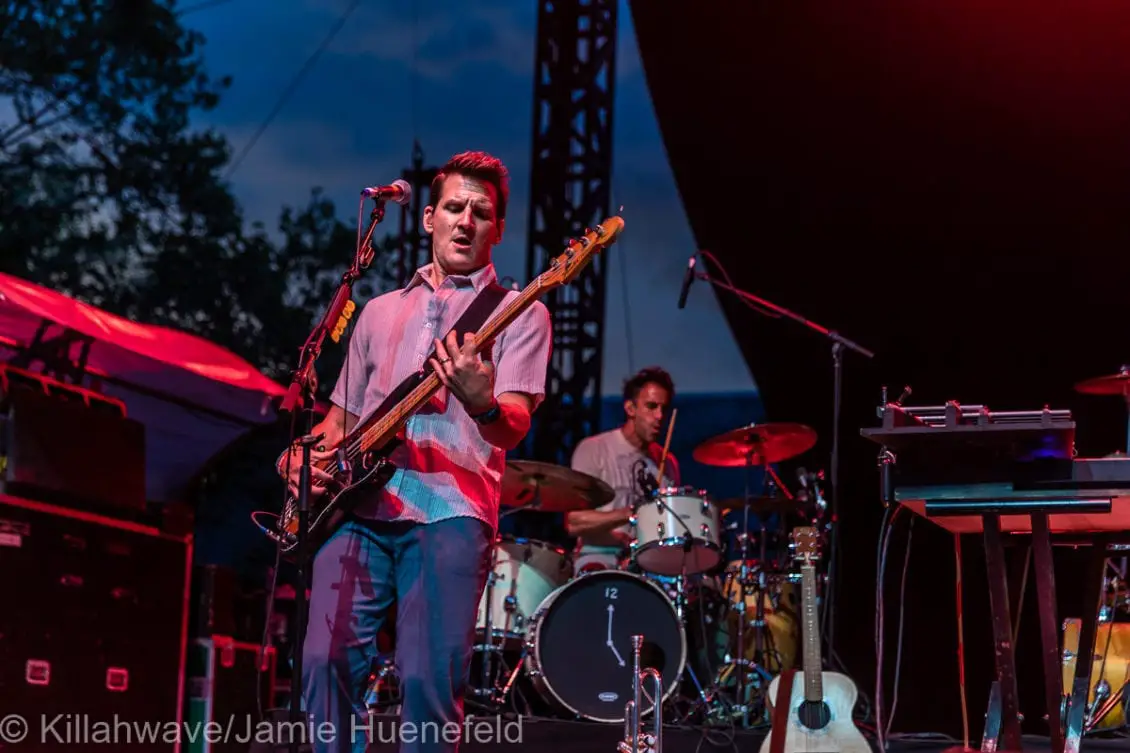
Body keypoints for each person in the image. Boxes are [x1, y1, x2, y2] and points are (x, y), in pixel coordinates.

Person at [275, 151, 552, 753]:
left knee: (428, 683)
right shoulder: (378, 311)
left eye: (481, 213)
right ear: (428, 217)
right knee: (321, 661)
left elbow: (513, 427)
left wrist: (481, 404)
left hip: (450, 512)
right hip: (359, 510)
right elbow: (343, 420)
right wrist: (302, 458)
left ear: (497, 229)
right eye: (454, 207)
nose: (465, 221)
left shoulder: (520, 313)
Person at [564, 366, 680, 572]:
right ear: (630, 409)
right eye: (651, 407)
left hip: (645, 562)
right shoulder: (593, 448)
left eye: (664, 408)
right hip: (599, 555)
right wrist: (630, 514)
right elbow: (574, 522)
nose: (659, 416)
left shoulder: (667, 462)